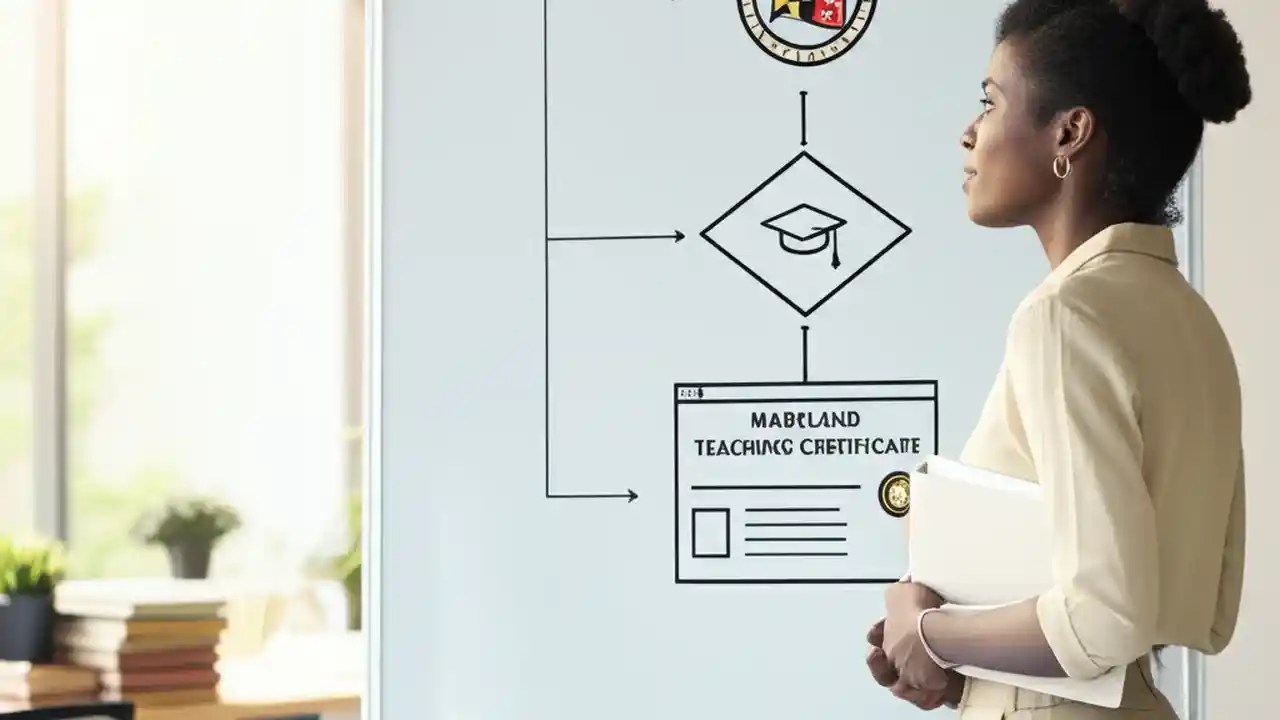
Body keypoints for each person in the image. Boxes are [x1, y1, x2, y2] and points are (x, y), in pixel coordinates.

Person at [864, 0, 1252, 716]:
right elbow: (1196, 605)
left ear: (1069, 132)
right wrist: (960, 659)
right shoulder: (1190, 320)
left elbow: (1104, 614)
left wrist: (929, 633)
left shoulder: (1065, 316)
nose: (969, 131)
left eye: (989, 101)